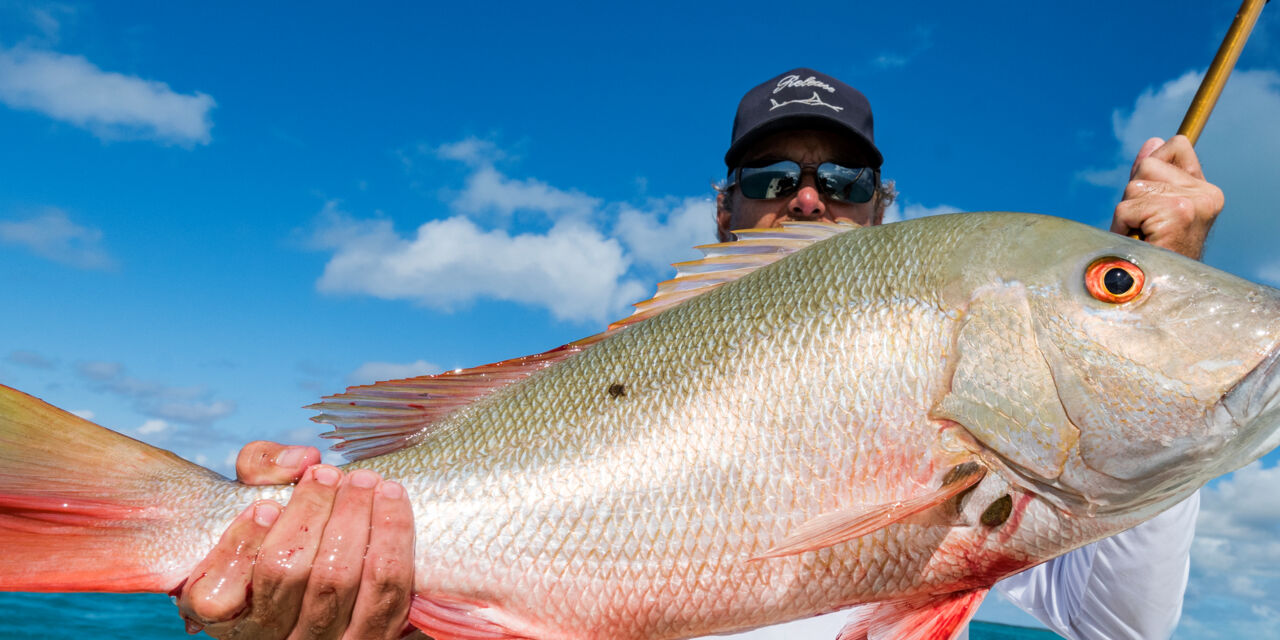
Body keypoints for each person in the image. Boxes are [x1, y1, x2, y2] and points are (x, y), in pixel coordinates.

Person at [176, 68, 1224, 639]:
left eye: (842, 183)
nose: (806, 197)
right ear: (724, 208)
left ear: (880, 207)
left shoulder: (984, 460)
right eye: (770, 179)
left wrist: (1157, 351)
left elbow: (1117, 625)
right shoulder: (601, 387)